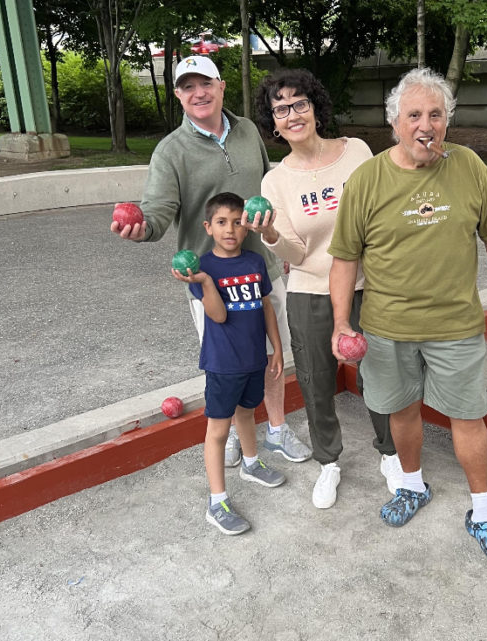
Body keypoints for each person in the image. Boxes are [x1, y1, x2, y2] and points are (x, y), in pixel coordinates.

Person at [328, 67, 487, 564]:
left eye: (435, 114)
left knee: (468, 416)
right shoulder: (368, 178)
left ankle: (483, 513)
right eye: (414, 114)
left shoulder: (470, 166)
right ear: (395, 123)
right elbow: (345, 257)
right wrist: (342, 322)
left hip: (455, 324)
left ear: (447, 121)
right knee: (401, 412)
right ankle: (412, 486)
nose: (425, 124)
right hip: (388, 327)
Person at [109, 55, 311, 467]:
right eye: (187, 87)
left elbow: (269, 189)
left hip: (263, 267)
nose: (198, 93)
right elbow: (159, 210)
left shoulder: (249, 130)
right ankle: (238, 431)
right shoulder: (171, 151)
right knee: (226, 363)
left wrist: (281, 242)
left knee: (274, 352)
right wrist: (142, 227)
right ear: (180, 96)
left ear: (221, 88)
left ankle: (275, 428)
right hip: (211, 278)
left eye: (206, 84)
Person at [247, 68, 401, 509]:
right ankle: (328, 462)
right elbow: (296, 253)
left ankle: (390, 452)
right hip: (310, 290)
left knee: (381, 373)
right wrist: (272, 236)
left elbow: (382, 214)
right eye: (281, 109)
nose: (292, 114)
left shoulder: (356, 152)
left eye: (300, 104)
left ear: (315, 108)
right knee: (316, 382)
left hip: (368, 285)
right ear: (273, 123)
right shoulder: (275, 181)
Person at [172, 192, 286, 535]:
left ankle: (251, 463)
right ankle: (217, 500)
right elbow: (218, 316)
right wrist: (205, 283)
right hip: (223, 364)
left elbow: (266, 307)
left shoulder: (254, 262)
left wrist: (276, 349)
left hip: (253, 359)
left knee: (249, 414)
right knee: (219, 431)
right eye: (221, 222)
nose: (230, 229)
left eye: (238, 221)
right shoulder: (202, 269)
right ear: (208, 227)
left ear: (247, 226)